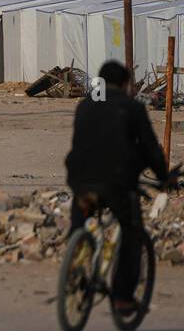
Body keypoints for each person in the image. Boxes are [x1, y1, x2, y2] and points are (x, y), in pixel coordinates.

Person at [65, 61, 170, 313]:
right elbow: (150, 148)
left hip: (80, 180)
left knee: (80, 220)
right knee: (132, 232)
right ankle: (122, 296)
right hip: (116, 182)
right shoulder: (132, 108)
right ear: (125, 84)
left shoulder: (85, 106)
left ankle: (74, 266)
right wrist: (164, 177)